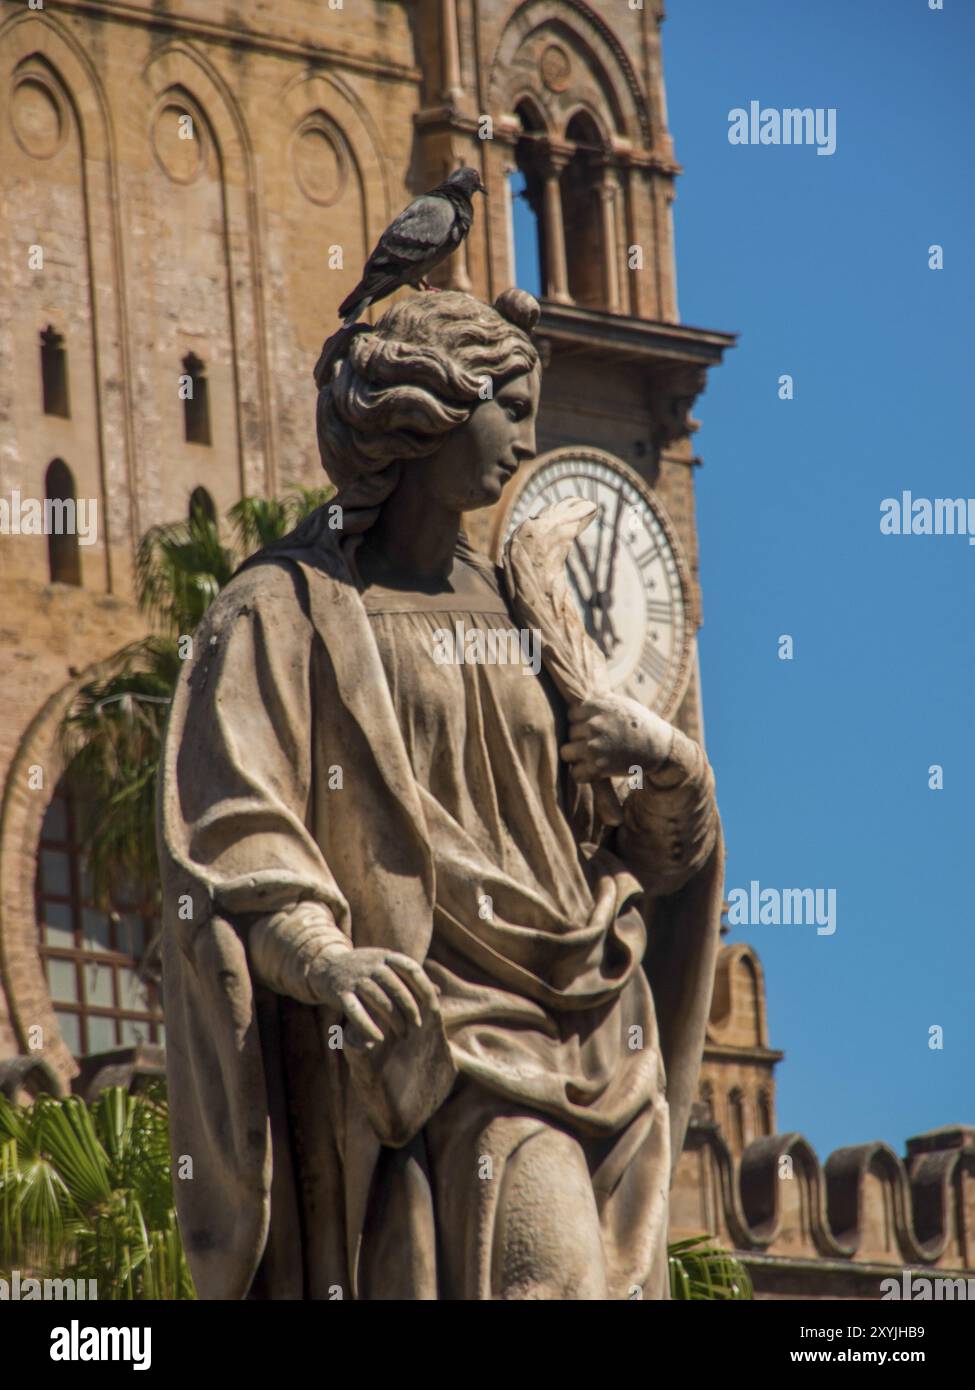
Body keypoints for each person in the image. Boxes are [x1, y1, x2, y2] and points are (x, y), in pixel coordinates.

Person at [157, 287, 723, 1300]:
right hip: (448, 1043)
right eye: (511, 405)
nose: (530, 438)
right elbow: (238, 839)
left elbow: (644, 853)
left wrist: (666, 766)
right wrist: (327, 960)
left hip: (593, 1023)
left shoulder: (527, 607)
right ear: (431, 408)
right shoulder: (279, 610)